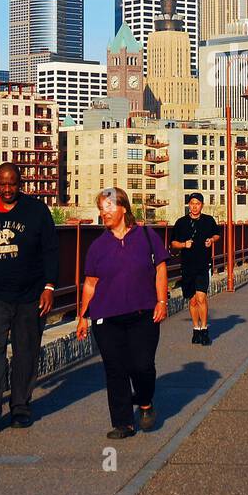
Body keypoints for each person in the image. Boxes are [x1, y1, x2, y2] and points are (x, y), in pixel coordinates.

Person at [0, 162, 59, 432]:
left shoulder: (37, 211)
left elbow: (51, 251)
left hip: (30, 294)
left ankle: (20, 407)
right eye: (2, 184)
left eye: (12, 184)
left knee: (25, 352)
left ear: (21, 183)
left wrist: (49, 287)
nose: (7, 189)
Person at [76, 187, 169, 439]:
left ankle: (145, 401)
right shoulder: (97, 247)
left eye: (108, 207)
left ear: (123, 208)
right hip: (106, 317)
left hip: (143, 313)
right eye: (101, 209)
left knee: (142, 365)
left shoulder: (147, 236)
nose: (103, 213)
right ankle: (123, 423)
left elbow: (160, 270)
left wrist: (162, 300)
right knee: (115, 369)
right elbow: (90, 283)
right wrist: (83, 316)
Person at [169, 193, 221, 345]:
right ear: (188, 205)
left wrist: (211, 240)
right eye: (192, 203)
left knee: (201, 298)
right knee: (192, 301)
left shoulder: (208, 220)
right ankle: (196, 330)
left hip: (203, 265)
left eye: (197, 203)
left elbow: (217, 235)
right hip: (187, 267)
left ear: (202, 205)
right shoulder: (181, 223)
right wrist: (184, 245)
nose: (194, 206)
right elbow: (173, 243)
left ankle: (204, 330)